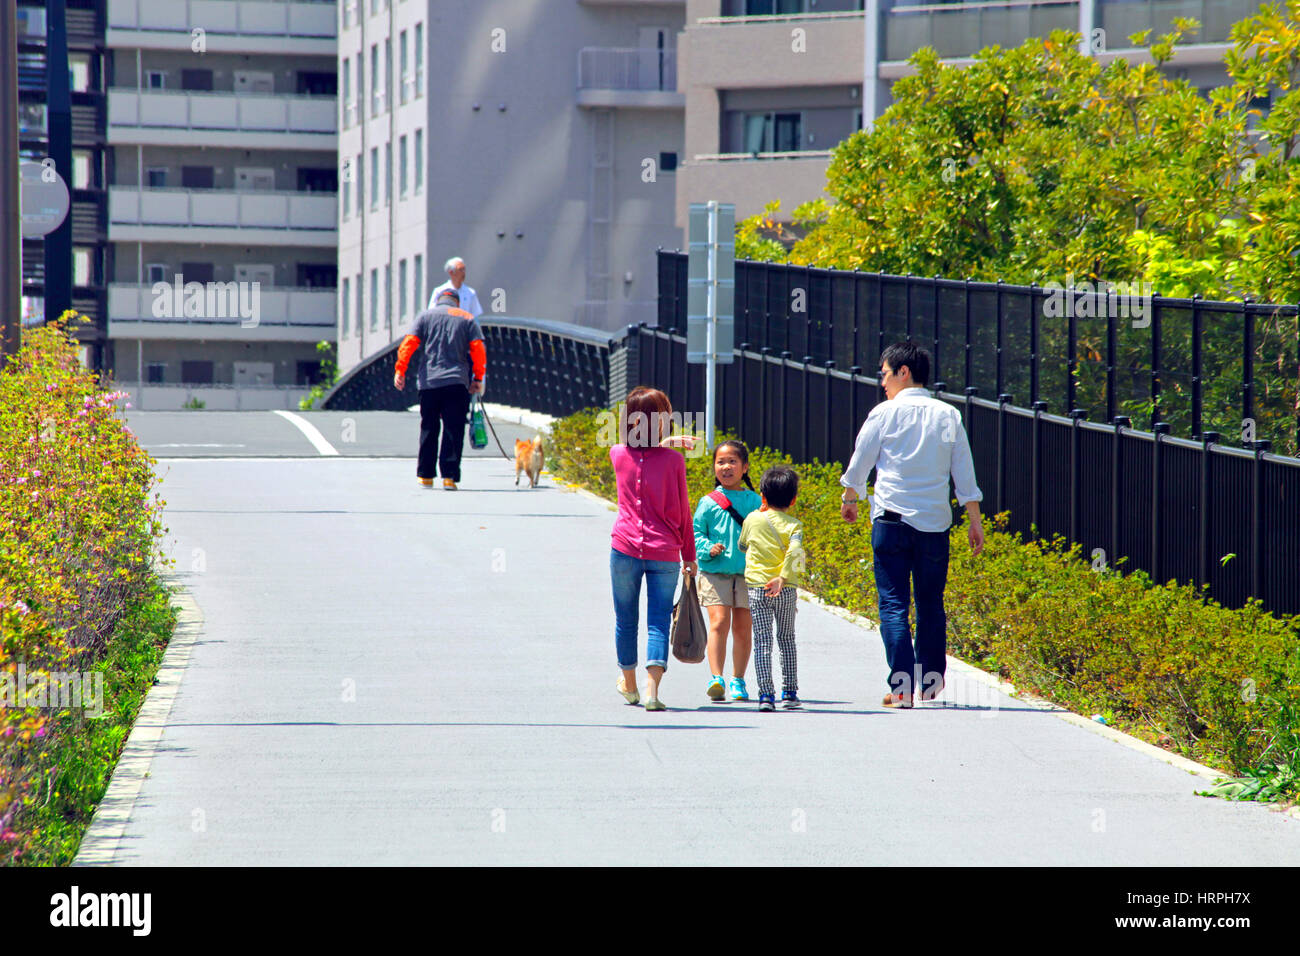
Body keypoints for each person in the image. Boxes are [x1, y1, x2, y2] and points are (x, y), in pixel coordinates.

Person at [839, 341, 984, 709]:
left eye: (884, 373)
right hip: (935, 524)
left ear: (904, 372)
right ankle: (931, 685)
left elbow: (860, 463)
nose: (882, 382)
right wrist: (974, 519)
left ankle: (901, 688)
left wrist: (851, 498)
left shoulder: (884, 414)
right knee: (931, 603)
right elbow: (963, 470)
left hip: (891, 521)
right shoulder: (948, 415)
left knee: (892, 604)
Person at [608, 386, 698, 712]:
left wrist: (655, 440)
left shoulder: (617, 454)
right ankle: (652, 691)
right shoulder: (674, 461)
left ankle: (629, 686)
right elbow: (683, 511)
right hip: (664, 553)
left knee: (625, 620)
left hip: (624, 549)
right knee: (658, 621)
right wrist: (689, 556)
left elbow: (636, 449)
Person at [392, 287, 486, 490]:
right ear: (457, 302)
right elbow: (478, 349)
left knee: (429, 426)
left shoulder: (425, 317)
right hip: (456, 382)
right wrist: (478, 377)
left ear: (438, 301)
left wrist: (400, 370)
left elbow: (408, 344)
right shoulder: (467, 318)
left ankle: (426, 475)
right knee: (454, 428)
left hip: (429, 382)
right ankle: (449, 477)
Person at [692, 440, 760, 702]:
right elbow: (697, 532)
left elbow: (764, 534)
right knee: (719, 623)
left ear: (745, 467)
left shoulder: (755, 501)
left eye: (732, 461)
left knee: (743, 629)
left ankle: (738, 680)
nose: (726, 467)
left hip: (747, 575)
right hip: (715, 573)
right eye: (720, 462)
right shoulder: (708, 502)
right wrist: (708, 547)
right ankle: (716, 678)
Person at [738, 465, 805, 713]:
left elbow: (743, 545)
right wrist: (782, 577)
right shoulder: (795, 525)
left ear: (763, 497)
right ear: (793, 499)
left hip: (757, 587)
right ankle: (790, 692)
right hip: (786, 589)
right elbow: (796, 553)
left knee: (763, 641)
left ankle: (766, 695)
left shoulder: (752, 519)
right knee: (787, 639)